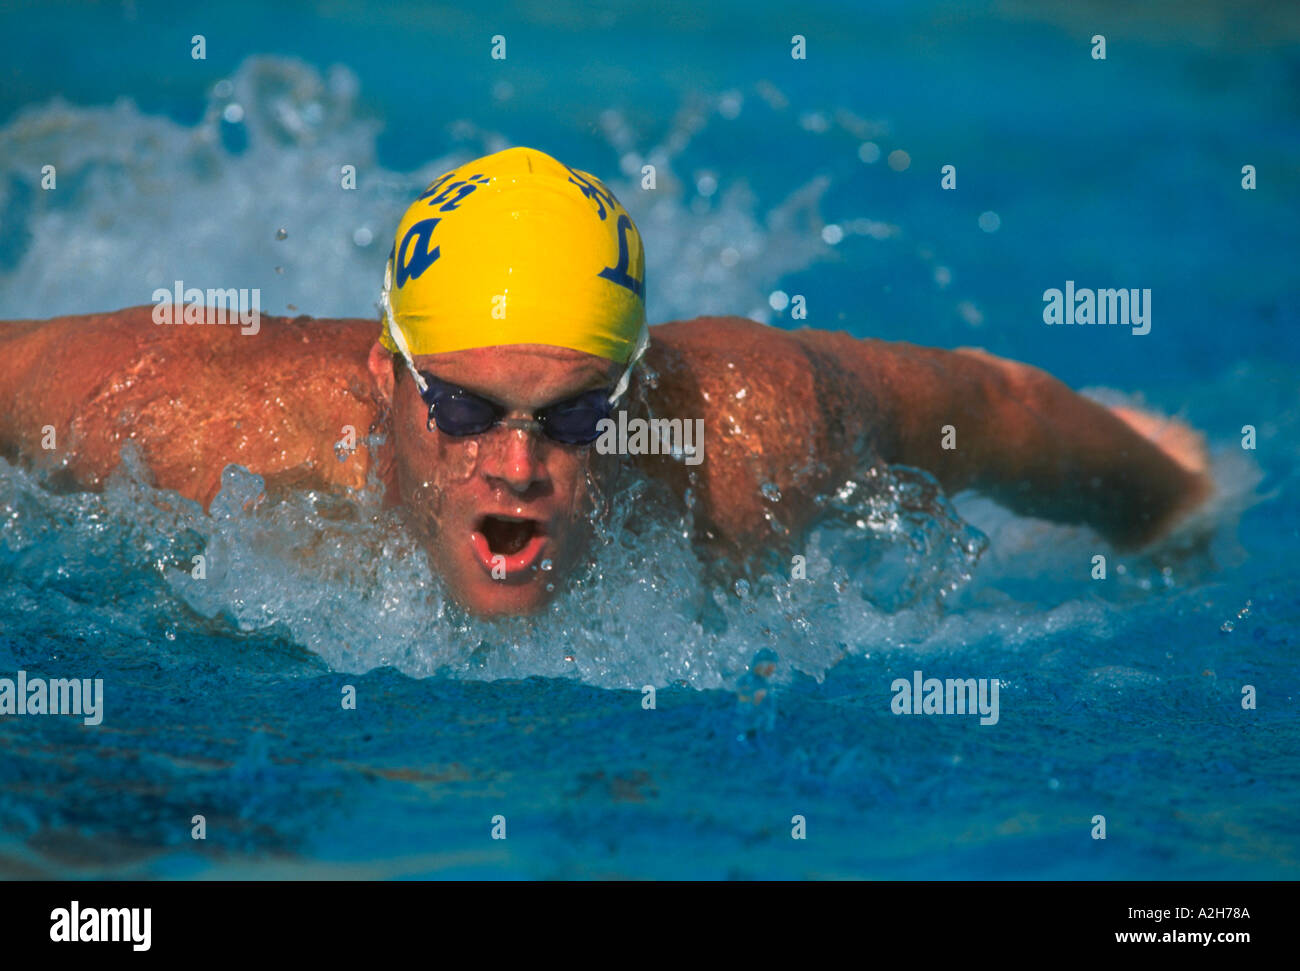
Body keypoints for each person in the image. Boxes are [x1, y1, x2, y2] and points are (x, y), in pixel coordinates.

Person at [0, 147, 1212, 615]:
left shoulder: (749, 434)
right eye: (462, 409)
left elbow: (990, 406)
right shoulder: (183, 416)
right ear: (385, 375)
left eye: (574, 415)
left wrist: (1165, 504)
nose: (517, 467)